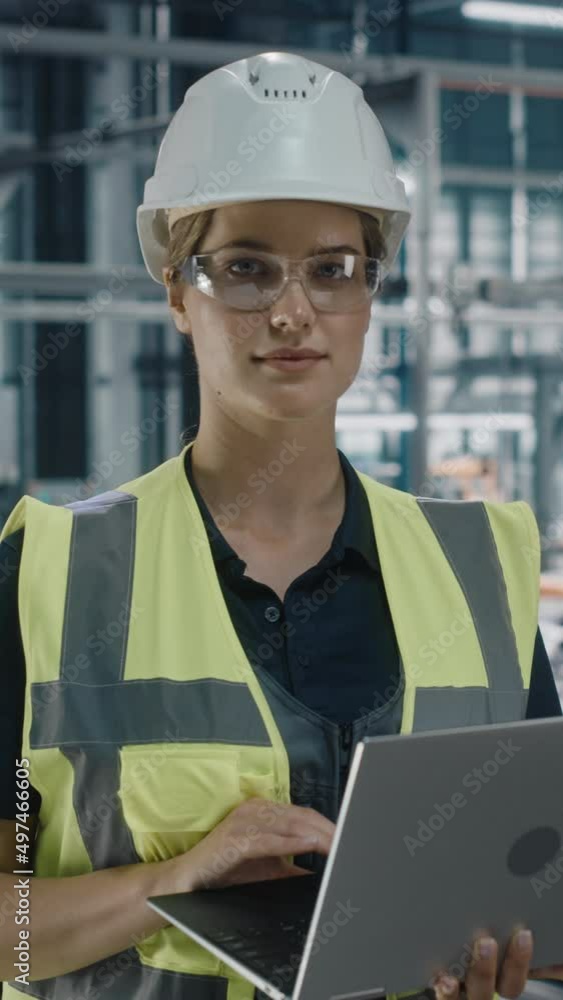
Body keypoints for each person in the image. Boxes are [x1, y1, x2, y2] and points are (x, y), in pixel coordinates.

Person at [0, 49, 562, 1000]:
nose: (293, 312)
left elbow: (536, 894)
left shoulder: (480, 570)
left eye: (332, 270)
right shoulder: (51, 575)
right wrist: (166, 884)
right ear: (178, 291)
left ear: (369, 291)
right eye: (246, 269)